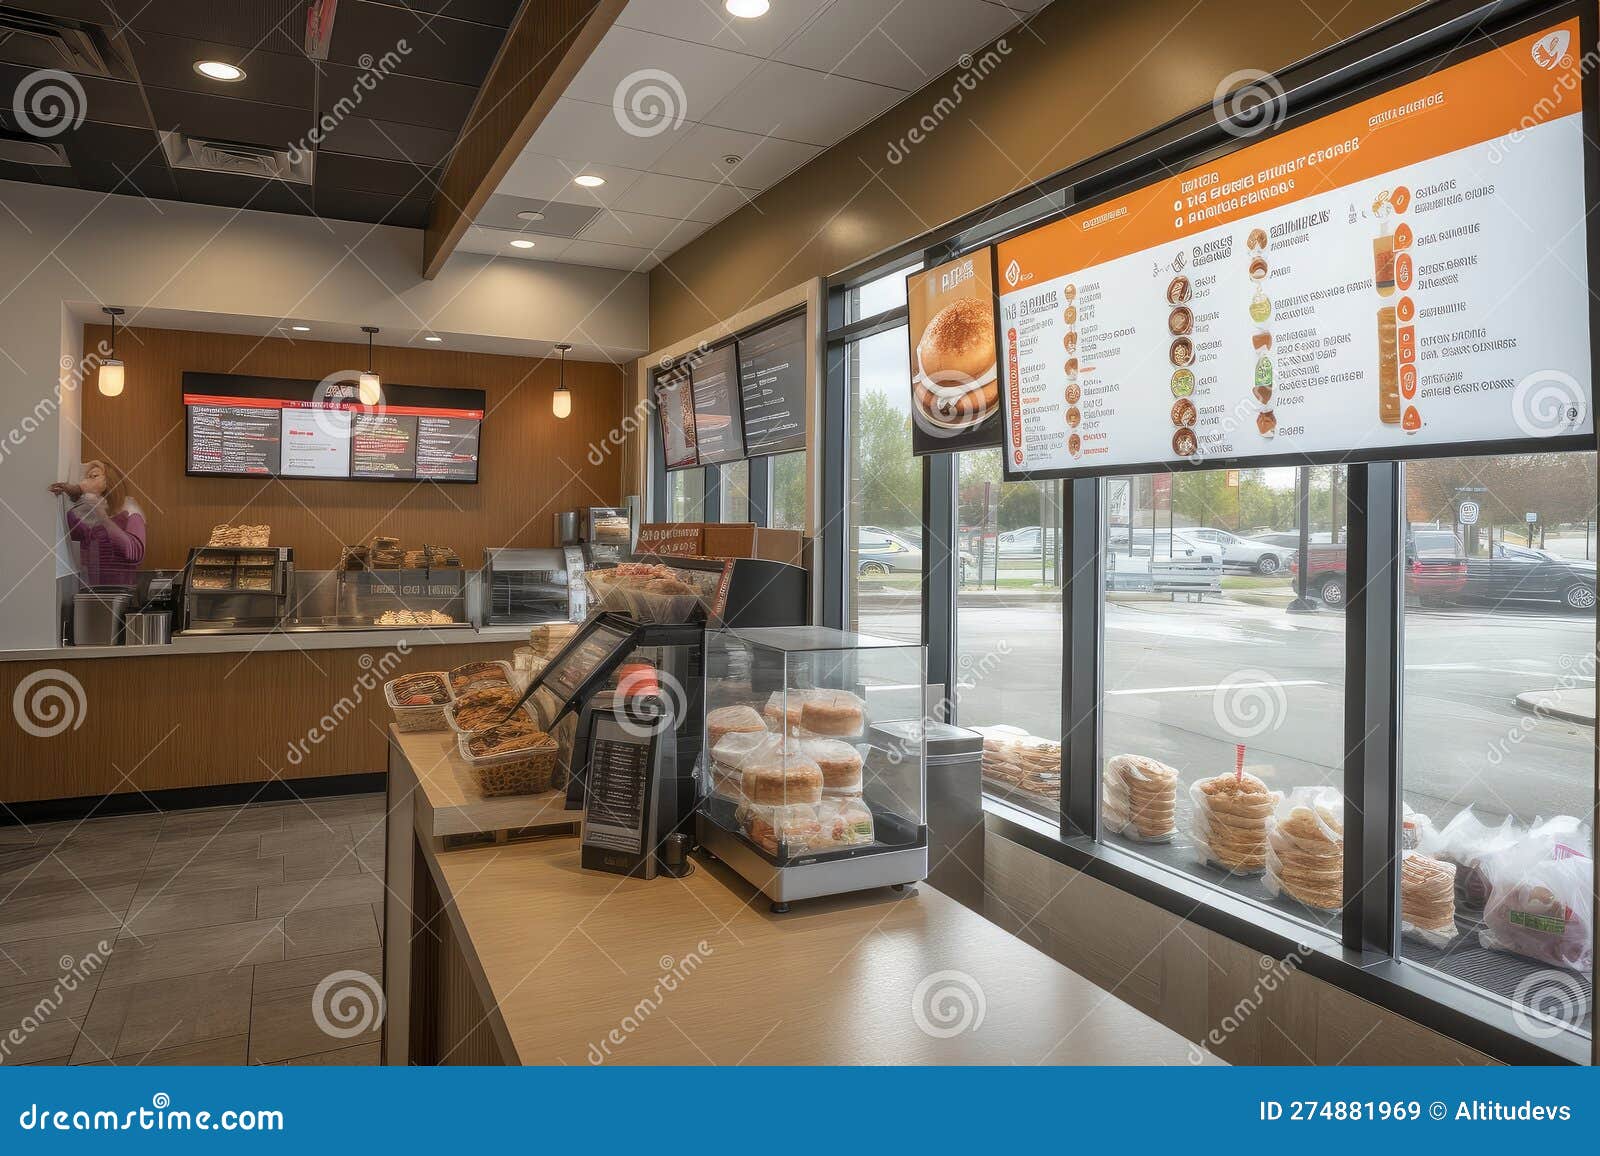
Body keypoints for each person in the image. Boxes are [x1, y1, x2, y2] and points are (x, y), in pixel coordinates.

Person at [49, 459, 146, 587]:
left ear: (110, 482)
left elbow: (133, 553)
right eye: (87, 477)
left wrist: (102, 516)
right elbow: (73, 532)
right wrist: (74, 496)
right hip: (93, 590)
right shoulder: (91, 516)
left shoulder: (131, 513)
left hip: (122, 591)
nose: (87, 481)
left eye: (94, 476)